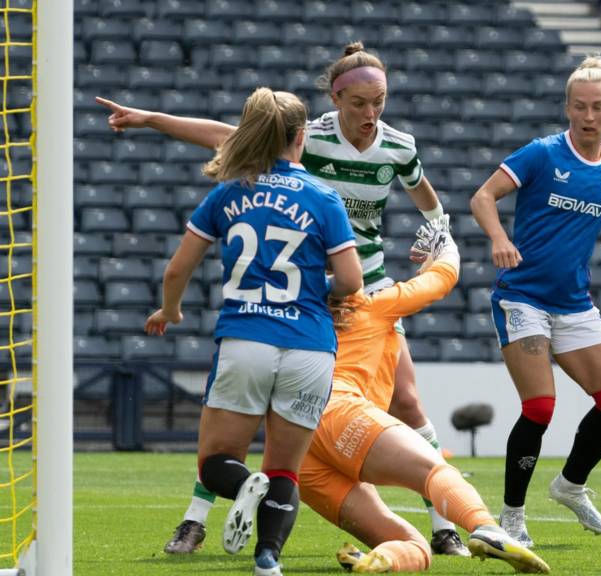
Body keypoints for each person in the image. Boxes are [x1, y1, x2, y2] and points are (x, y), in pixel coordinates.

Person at [98, 42, 470, 557]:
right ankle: (195, 519)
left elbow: (426, 195)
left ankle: (443, 524)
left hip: (370, 289)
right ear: (336, 99)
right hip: (309, 291)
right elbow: (228, 137)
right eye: (359, 103)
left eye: (379, 101)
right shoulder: (307, 137)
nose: (370, 113)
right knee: (243, 415)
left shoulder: (398, 146)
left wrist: (436, 232)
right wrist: (152, 119)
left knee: (405, 401)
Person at [145, 88, 364, 575]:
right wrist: (317, 292)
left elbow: (176, 270)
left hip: (248, 339)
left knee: (216, 463)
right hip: (310, 346)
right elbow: (351, 281)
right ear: (300, 137)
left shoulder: (228, 192)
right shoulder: (324, 197)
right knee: (285, 469)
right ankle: (267, 560)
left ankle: (245, 485)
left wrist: (170, 310)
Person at [469, 55, 601, 548]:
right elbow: (482, 197)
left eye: (598, 107)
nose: (589, 116)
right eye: (580, 107)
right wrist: (498, 238)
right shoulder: (542, 154)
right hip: (523, 298)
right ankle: (511, 516)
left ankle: (570, 485)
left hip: (573, 304)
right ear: (568, 108)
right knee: (540, 407)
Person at [298, 216, 549, 574]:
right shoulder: (371, 306)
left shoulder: (293, 316)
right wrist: (445, 243)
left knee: (412, 545)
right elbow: (442, 278)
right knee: (435, 471)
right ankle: (486, 528)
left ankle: (378, 562)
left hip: (300, 448)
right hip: (341, 412)